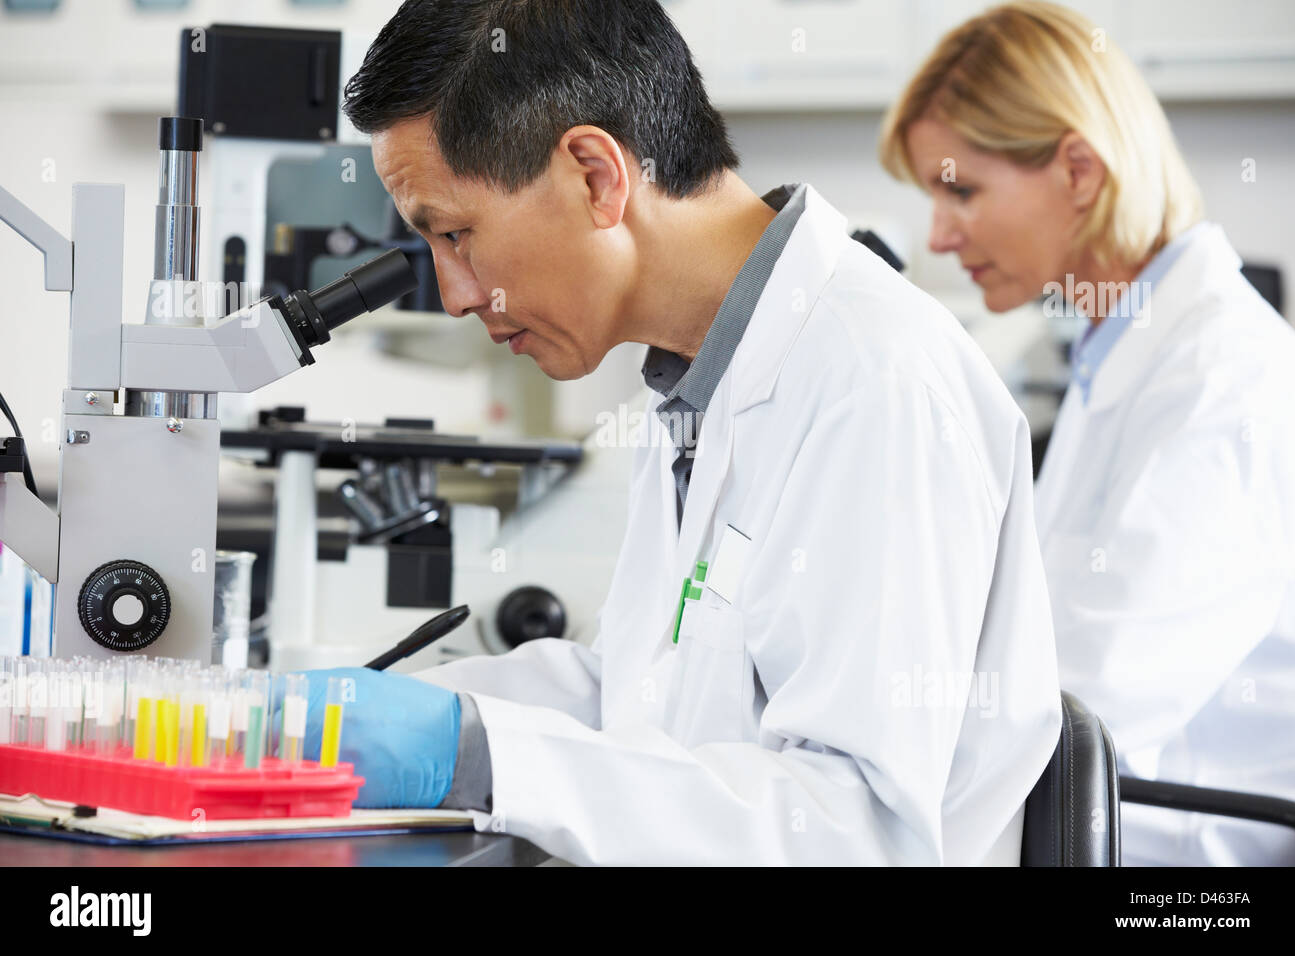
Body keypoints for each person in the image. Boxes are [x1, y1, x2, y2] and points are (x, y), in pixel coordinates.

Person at [301, 0, 1061, 866]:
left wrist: (480, 754)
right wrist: (366, 716)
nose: (457, 294)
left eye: (456, 234)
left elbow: (859, 829)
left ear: (595, 175)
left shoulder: (874, 379)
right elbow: (647, 696)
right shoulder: (699, 376)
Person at [879, 0, 1295, 866]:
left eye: (960, 188)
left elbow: (1077, 714)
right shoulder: (1119, 351)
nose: (938, 232)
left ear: (1077, 169)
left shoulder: (1224, 382)